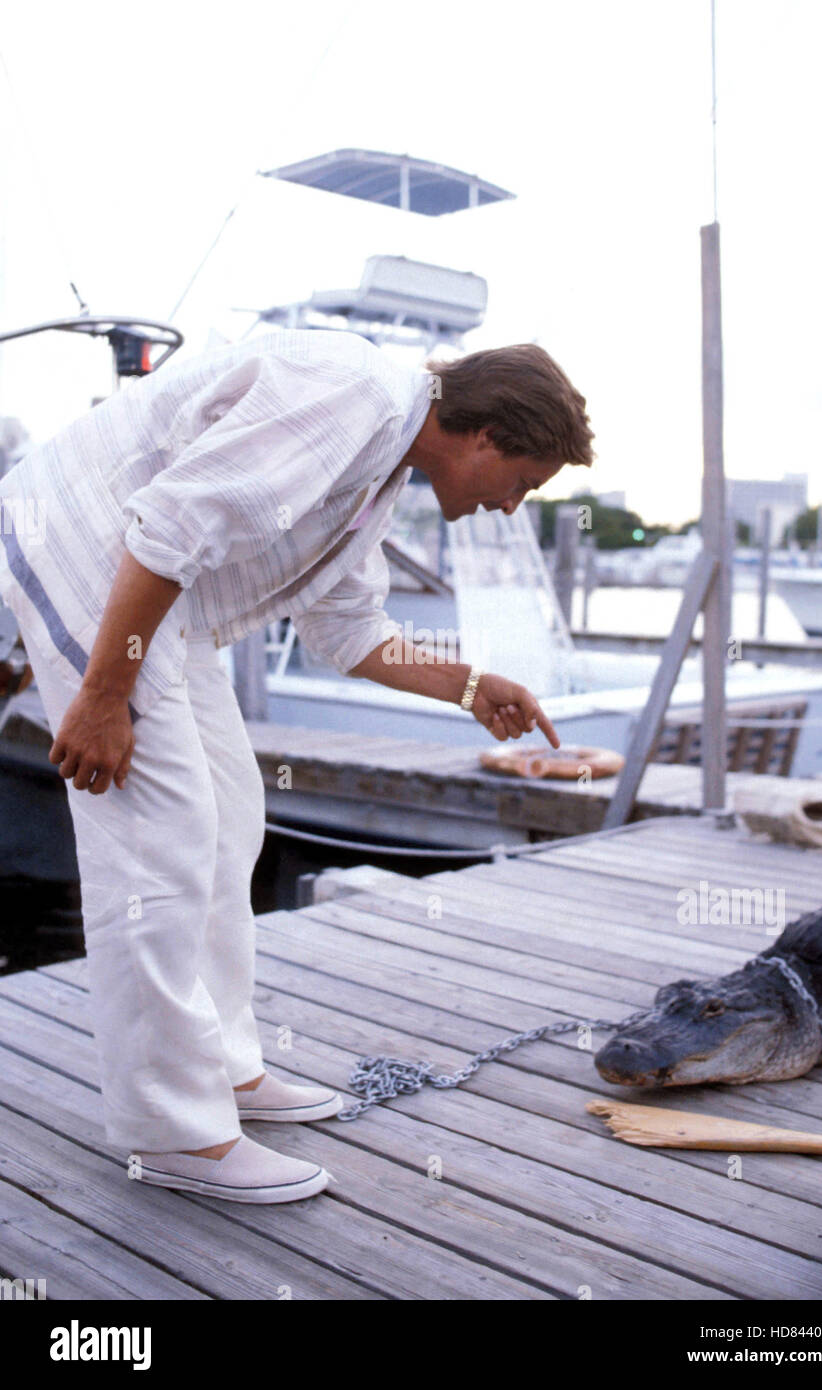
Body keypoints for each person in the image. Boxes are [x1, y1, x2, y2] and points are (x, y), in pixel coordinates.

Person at [0, 330, 593, 1204]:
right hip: (93, 558)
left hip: (157, 596)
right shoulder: (354, 399)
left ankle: (223, 1068)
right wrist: (100, 696)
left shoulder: (381, 462)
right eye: (524, 483)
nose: (512, 506)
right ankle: (172, 1130)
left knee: (233, 811)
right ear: (486, 437)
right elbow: (170, 526)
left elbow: (344, 631)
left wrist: (470, 687)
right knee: (160, 844)